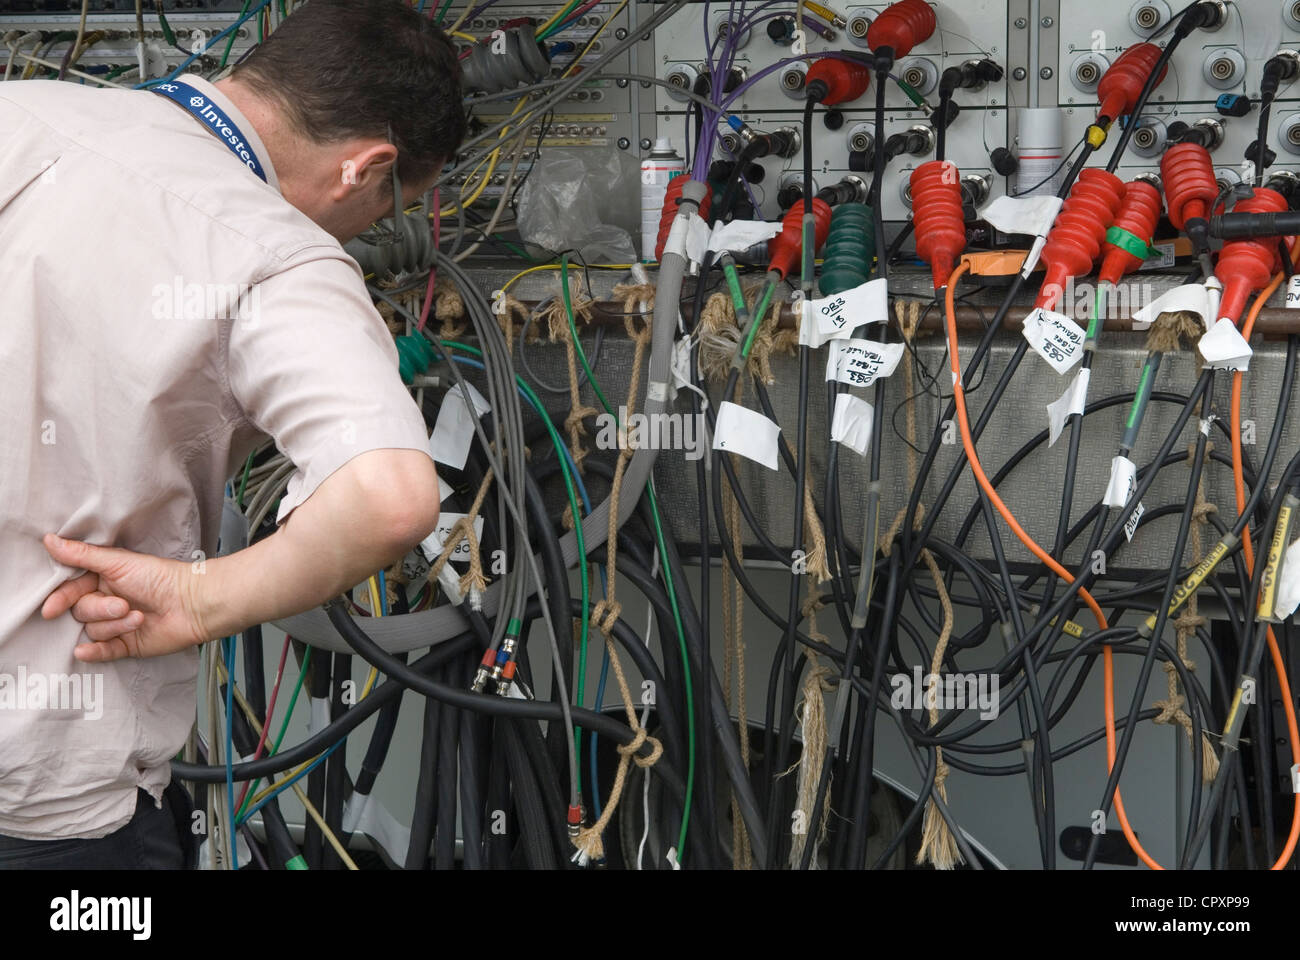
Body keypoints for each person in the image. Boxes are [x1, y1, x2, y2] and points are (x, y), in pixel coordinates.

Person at [0, 0, 465, 867]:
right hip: (45, 799)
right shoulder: (275, 253)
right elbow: (390, 495)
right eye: (396, 206)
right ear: (366, 168)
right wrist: (197, 600)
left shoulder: (17, 113)